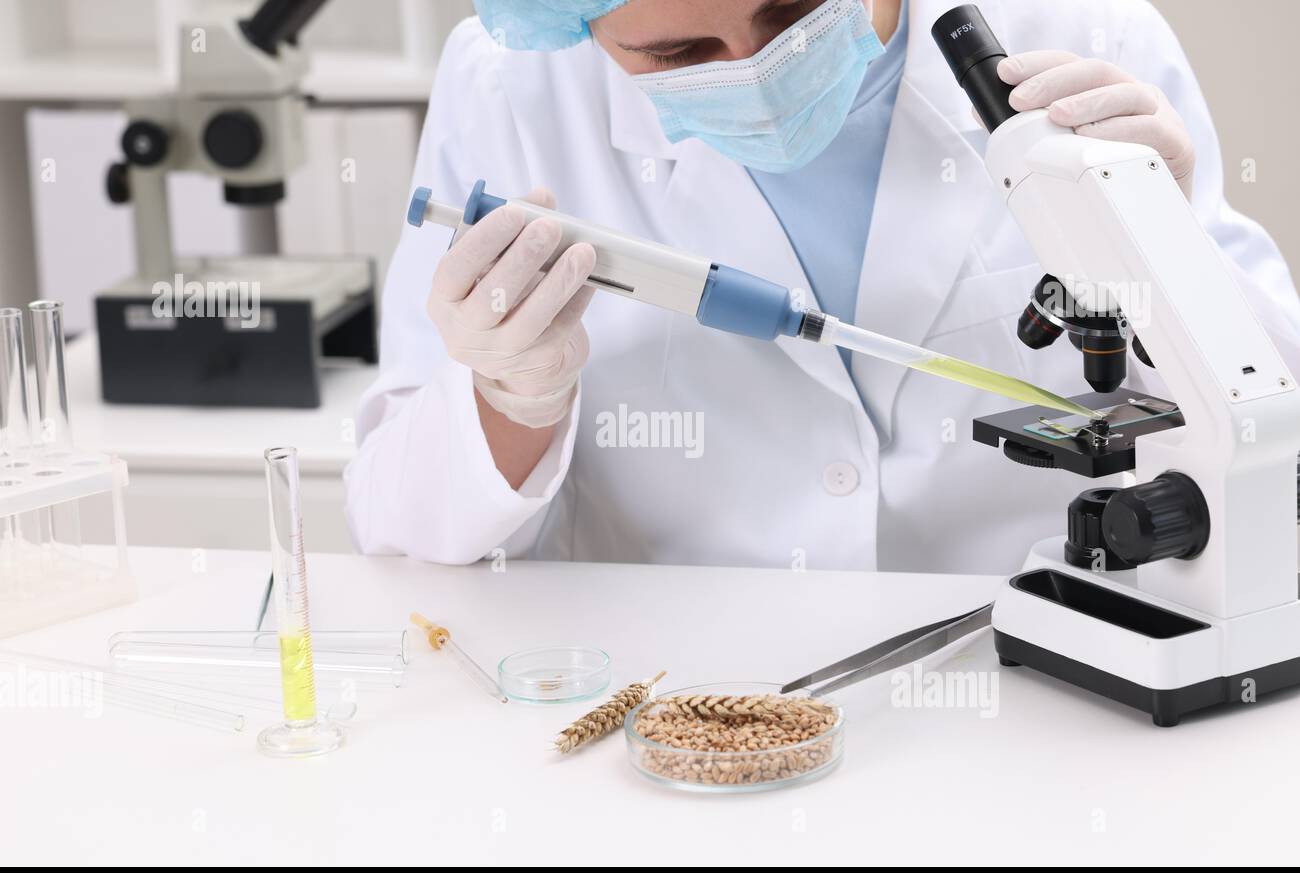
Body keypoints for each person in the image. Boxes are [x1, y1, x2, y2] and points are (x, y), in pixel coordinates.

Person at [345, 0, 1300, 573]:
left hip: (1053, 683)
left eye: (793, 12)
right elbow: (404, 534)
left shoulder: (1078, 25)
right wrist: (509, 398)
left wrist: (1172, 265)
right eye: (676, 55)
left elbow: (1282, 420)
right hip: (688, 715)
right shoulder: (514, 89)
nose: (751, 70)